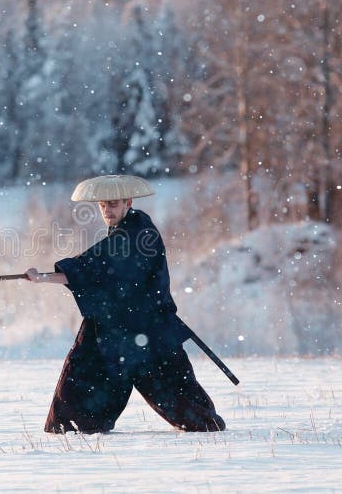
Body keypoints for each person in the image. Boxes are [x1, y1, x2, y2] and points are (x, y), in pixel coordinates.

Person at [25, 174, 225, 434]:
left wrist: (44, 277)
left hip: (148, 328)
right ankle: (74, 425)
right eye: (103, 205)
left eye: (113, 204)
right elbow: (101, 272)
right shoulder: (125, 231)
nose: (107, 210)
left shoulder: (138, 233)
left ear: (128, 202)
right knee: (83, 372)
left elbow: (94, 268)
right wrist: (46, 277)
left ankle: (205, 422)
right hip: (117, 324)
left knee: (181, 400)